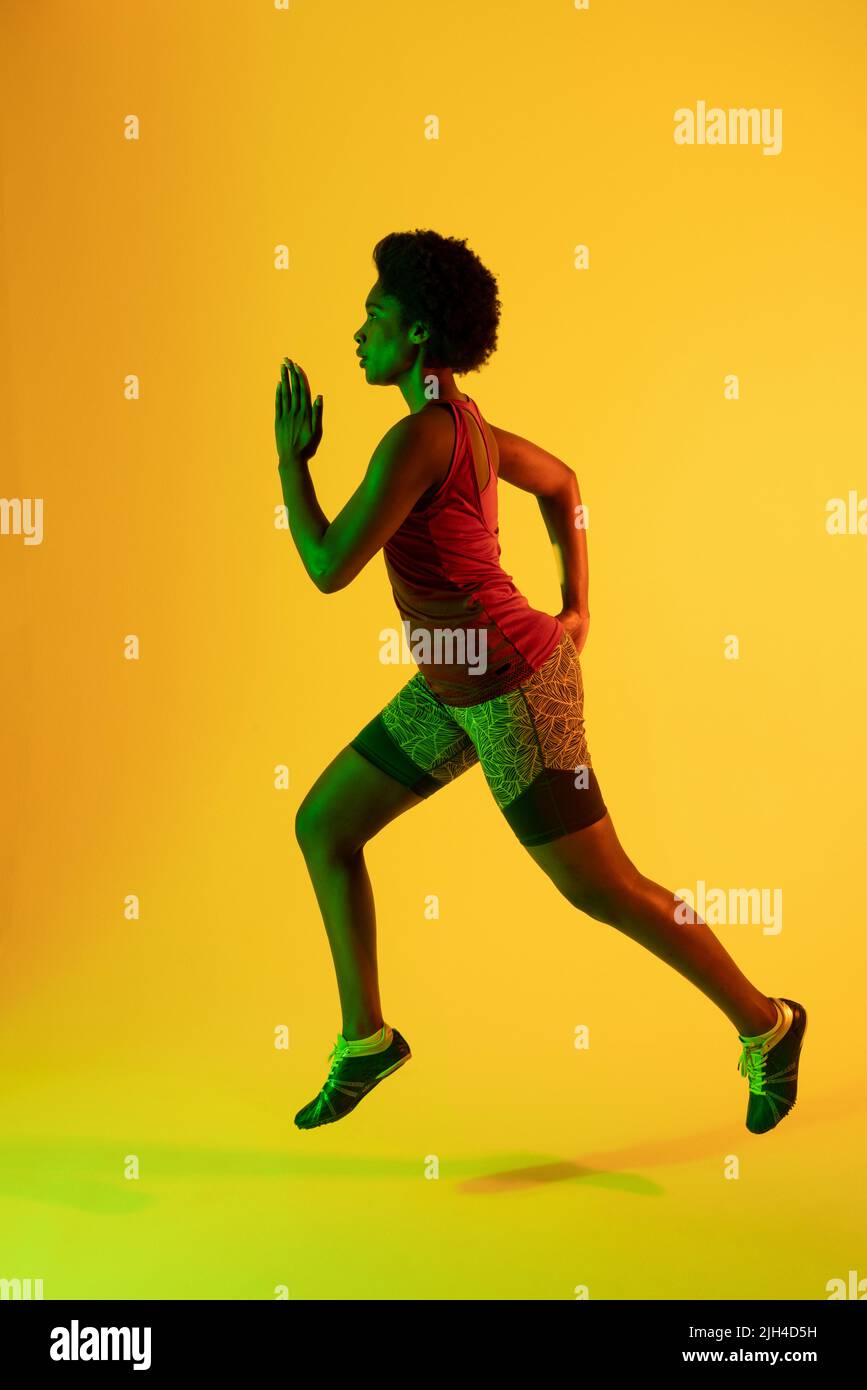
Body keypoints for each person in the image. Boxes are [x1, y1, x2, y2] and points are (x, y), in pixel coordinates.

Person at [274, 229, 806, 1136]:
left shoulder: (415, 439)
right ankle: (365, 1041)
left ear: (416, 336)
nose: (357, 328)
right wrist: (576, 606)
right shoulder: (467, 429)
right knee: (324, 824)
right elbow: (562, 483)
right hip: (453, 691)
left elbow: (328, 567)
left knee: (602, 887)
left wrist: (291, 457)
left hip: (515, 688)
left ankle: (768, 1024)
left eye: (374, 312)